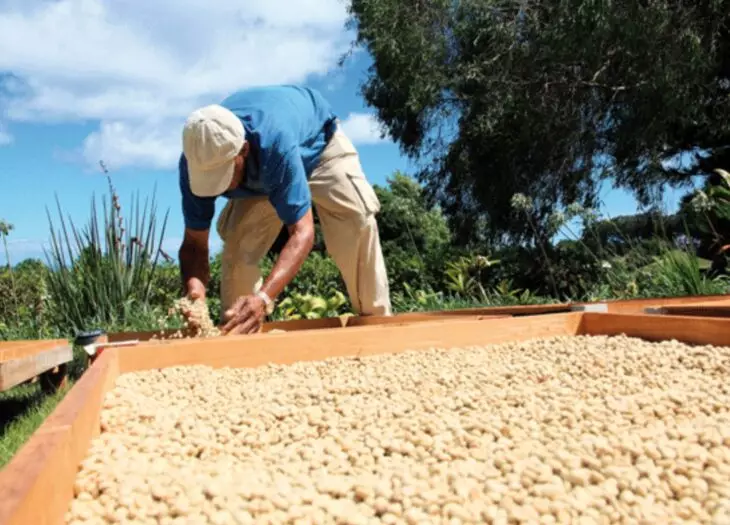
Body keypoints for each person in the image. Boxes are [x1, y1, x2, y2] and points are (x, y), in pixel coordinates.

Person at [177, 85, 392, 335]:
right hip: (262, 171)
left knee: (356, 223)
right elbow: (194, 244)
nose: (216, 185)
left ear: (243, 151)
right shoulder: (195, 161)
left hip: (319, 149)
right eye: (209, 177)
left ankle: (377, 325)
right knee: (238, 248)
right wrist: (195, 292)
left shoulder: (274, 142)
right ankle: (238, 334)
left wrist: (264, 299)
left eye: (223, 174)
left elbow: (302, 232)